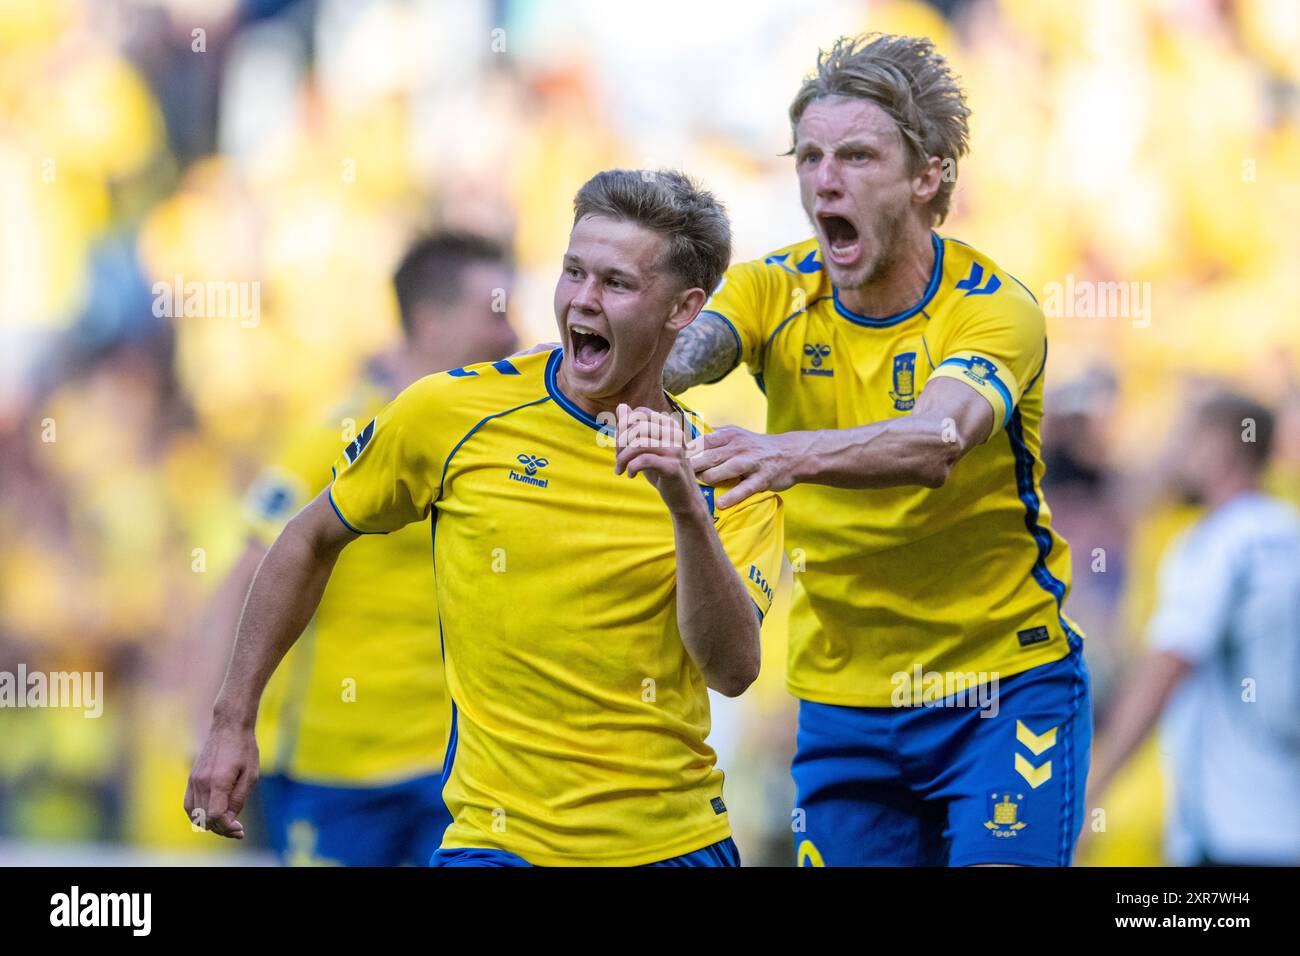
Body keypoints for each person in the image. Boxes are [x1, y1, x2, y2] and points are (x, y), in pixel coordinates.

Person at [186, 168, 785, 867]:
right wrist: (231, 719)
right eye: (572, 273)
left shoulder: (726, 469)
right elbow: (306, 537)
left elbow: (734, 669)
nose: (582, 301)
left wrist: (684, 508)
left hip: (672, 844)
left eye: (617, 284)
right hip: (492, 841)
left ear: (684, 309)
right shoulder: (448, 415)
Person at [663, 32, 1091, 866]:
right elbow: (683, 355)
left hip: (1000, 693)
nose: (825, 180)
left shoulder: (992, 310)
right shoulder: (770, 289)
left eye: (858, 155)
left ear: (926, 176)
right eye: (810, 156)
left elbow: (937, 441)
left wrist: (784, 456)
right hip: (843, 703)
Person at [193, 231, 518, 865]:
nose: (511, 334)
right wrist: (213, 726)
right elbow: (248, 572)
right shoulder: (334, 439)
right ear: (431, 319)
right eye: (496, 311)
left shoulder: (503, 443)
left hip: (461, 774)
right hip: (338, 767)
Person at [1088, 392, 1300, 866]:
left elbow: (1169, 664)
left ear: (1221, 446)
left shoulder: (1218, 541)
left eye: (1186, 436)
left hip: (1229, 829)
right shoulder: (1288, 531)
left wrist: (1094, 788)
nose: (1176, 451)